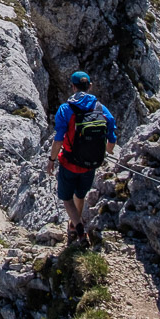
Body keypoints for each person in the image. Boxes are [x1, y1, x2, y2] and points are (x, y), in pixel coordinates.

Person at [44, 71, 117, 246]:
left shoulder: (65, 109)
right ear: (90, 86)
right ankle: (73, 225)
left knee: (67, 198)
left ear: (73, 87)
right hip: (91, 163)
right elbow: (112, 136)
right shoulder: (100, 108)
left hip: (69, 162)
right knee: (80, 194)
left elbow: (58, 139)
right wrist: (108, 150)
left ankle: (79, 228)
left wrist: (51, 160)